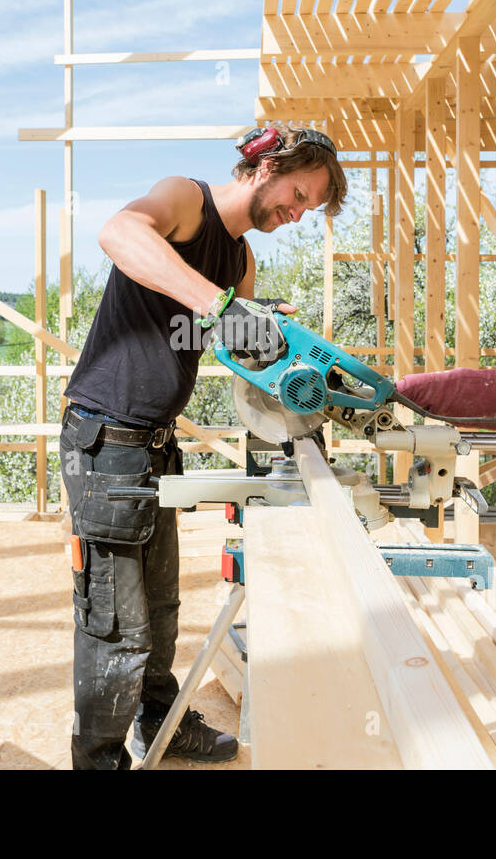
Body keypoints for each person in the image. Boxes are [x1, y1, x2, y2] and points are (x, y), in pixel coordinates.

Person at [59, 125, 348, 770]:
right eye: (297, 193)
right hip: (105, 436)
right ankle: (99, 760)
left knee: (159, 609)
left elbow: (244, 357)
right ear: (264, 164)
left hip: (155, 442)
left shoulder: (242, 261)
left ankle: (162, 723)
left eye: (306, 209)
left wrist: (300, 378)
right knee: (114, 622)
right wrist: (220, 307)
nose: (295, 213)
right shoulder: (186, 202)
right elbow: (118, 233)